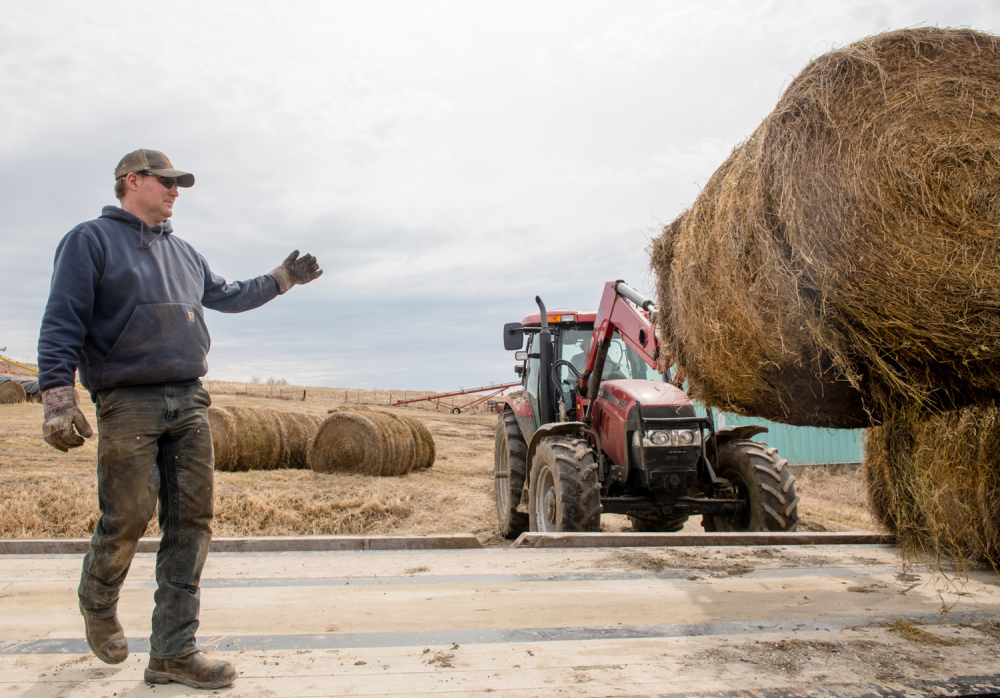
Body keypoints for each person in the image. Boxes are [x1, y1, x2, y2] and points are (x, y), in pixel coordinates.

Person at [36, 149, 322, 690]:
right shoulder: (89, 240)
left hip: (189, 400)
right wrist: (57, 397)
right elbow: (63, 318)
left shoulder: (185, 253)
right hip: (128, 402)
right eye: (165, 183)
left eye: (178, 185)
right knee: (129, 514)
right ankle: (97, 601)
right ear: (132, 181)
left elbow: (228, 296)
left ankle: (172, 652)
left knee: (191, 525)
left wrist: (282, 278)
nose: (174, 192)